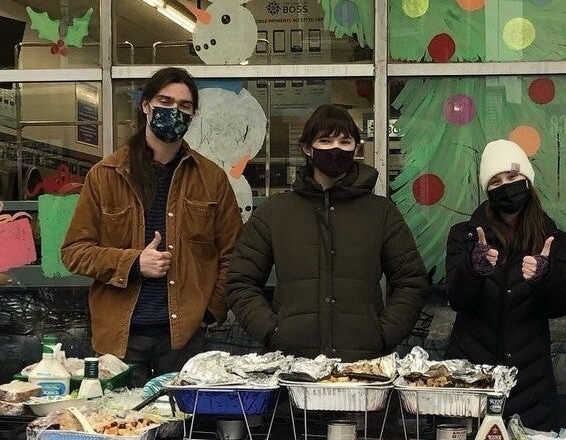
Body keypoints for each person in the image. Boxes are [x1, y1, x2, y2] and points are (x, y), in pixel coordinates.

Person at [61, 66, 243, 387]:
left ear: (192, 115)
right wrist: (133, 263)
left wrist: (210, 312)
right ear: (146, 105)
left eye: (184, 106)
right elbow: (75, 252)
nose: (174, 111)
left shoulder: (211, 179)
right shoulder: (106, 175)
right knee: (122, 429)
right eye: (165, 101)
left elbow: (233, 255)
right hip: (120, 340)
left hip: (185, 340)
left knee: (184, 430)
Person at [225, 103, 427, 361]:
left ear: (356, 147)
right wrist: (273, 333)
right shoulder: (276, 212)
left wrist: (382, 335)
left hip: (363, 367)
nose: (336, 148)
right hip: (292, 364)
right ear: (307, 148)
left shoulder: (381, 212)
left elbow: (411, 281)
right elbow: (240, 281)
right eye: (325, 140)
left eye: (345, 141)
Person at [444, 139, 566, 432]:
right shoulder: (464, 237)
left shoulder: (553, 239)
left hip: (530, 382)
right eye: (496, 181)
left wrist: (545, 276)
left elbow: (561, 305)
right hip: (471, 379)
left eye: (513, 177)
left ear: (527, 180)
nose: (506, 186)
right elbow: (456, 299)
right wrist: (474, 270)